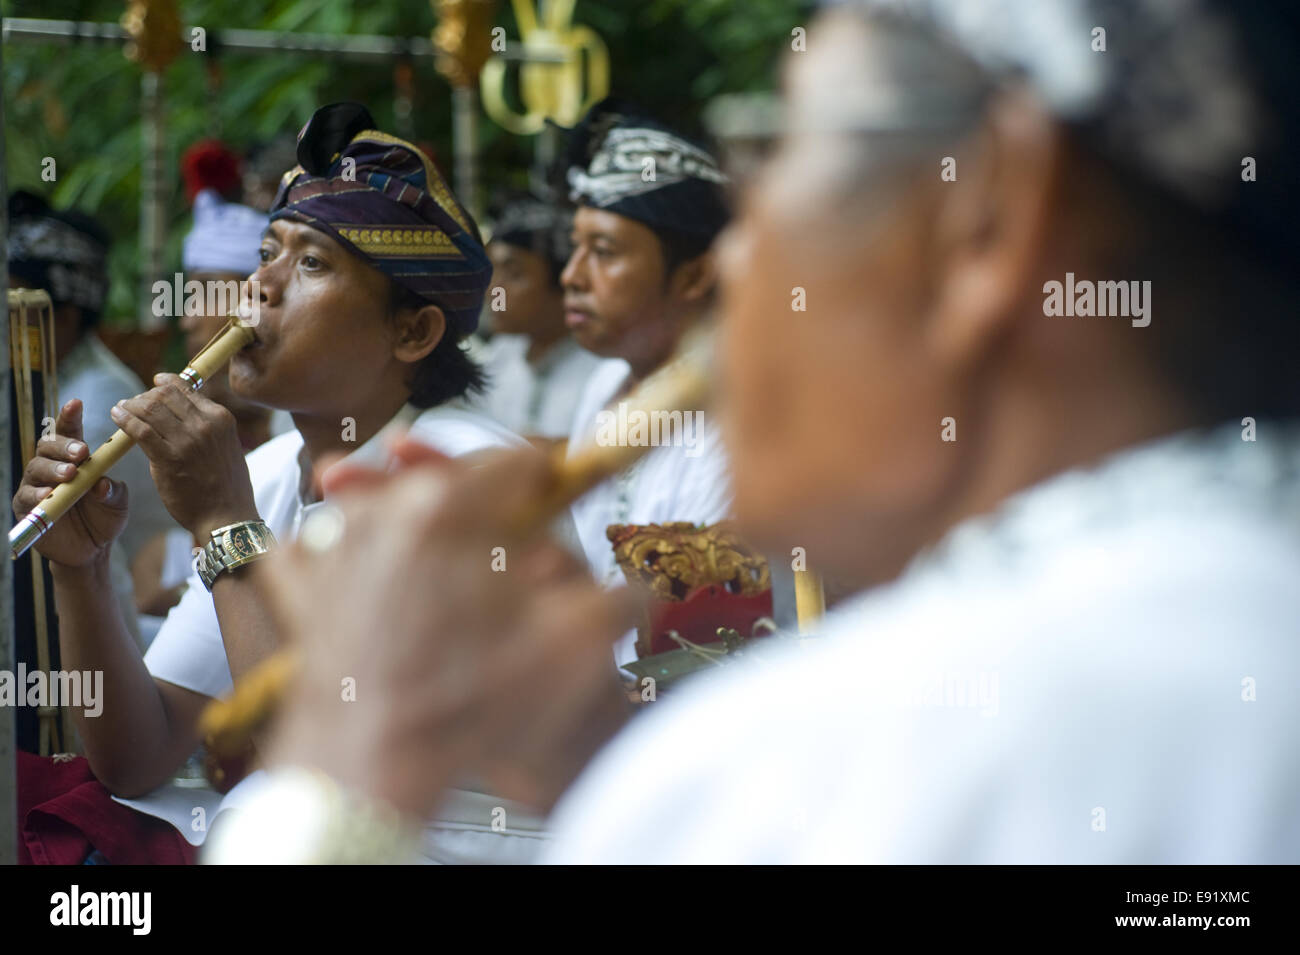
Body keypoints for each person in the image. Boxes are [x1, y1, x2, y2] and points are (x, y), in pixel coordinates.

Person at [206, 0, 1300, 864]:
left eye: (776, 153)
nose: (743, 258)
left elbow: (708, 680)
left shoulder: (840, 748)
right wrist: (575, 739)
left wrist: (350, 763)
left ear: (987, 219)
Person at [12, 103, 534, 860]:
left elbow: (324, 783)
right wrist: (83, 570)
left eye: (312, 263)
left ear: (412, 331)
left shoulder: (468, 478)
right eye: (268, 252)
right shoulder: (267, 472)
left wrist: (224, 523)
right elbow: (139, 753)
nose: (258, 286)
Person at [557, 100, 737, 669]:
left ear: (694, 275)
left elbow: (691, 658)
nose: (571, 275)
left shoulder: (732, 433)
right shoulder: (607, 382)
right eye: (575, 246)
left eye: (603, 252)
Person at [7, 190, 172, 647]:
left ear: (62, 318)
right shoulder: (43, 383)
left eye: (11, 308)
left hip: (117, 632)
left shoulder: (100, 404)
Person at [132, 183, 276, 623]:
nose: (188, 318)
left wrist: (188, 586)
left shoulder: (304, 430)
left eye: (207, 293)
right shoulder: (200, 408)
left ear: (258, 295)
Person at [466, 196, 600, 444]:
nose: (494, 292)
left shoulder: (601, 373)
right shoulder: (502, 356)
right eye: (493, 271)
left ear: (563, 283)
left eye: (514, 274)